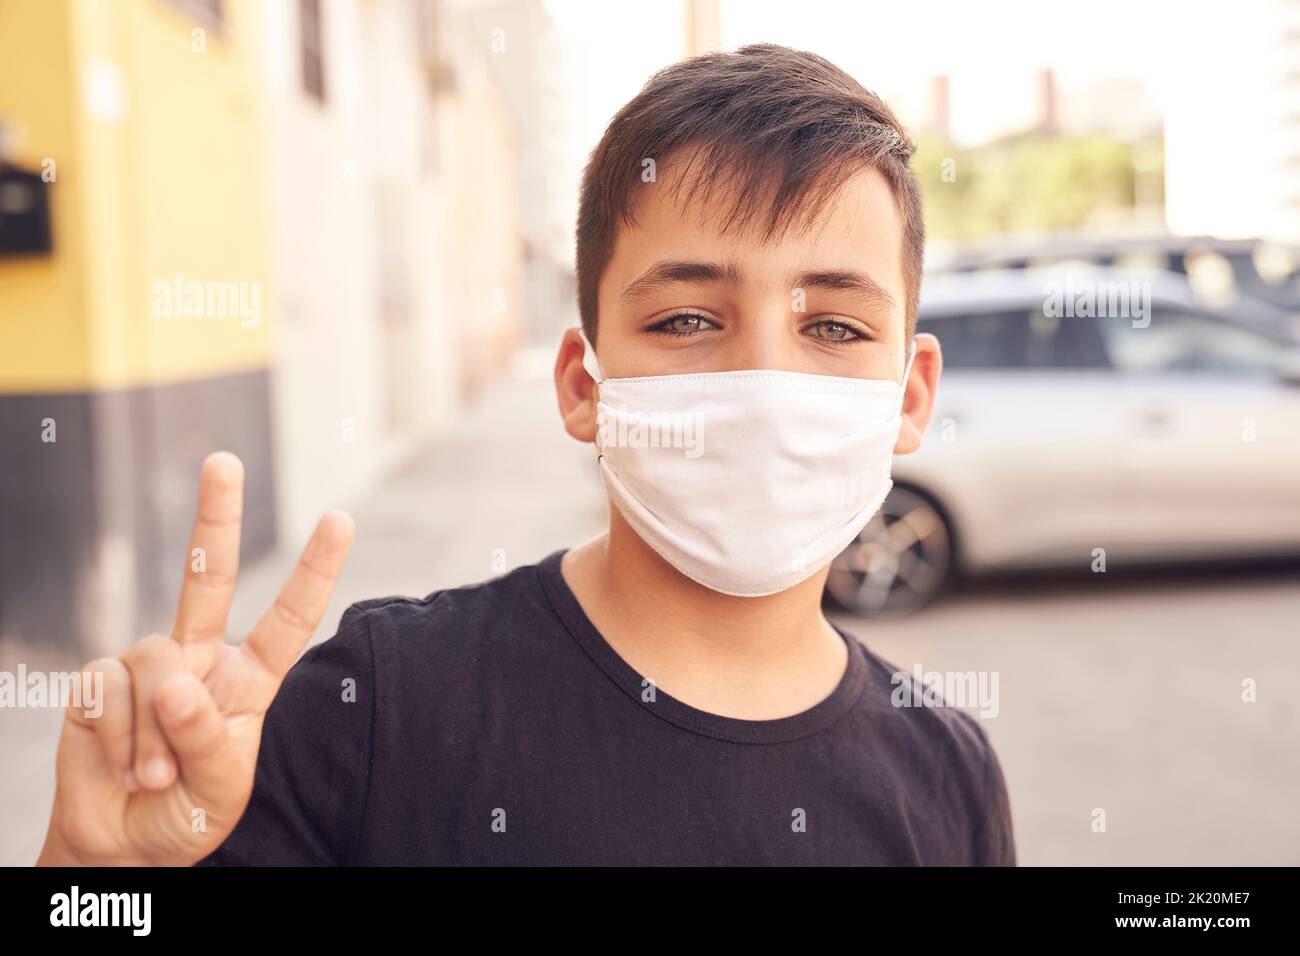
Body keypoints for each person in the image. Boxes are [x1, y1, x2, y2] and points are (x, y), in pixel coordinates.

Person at [37, 43, 1015, 866]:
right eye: (685, 318)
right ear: (583, 385)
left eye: (835, 327)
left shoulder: (948, 776)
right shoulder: (377, 710)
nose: (762, 378)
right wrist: (94, 872)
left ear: (910, 395)